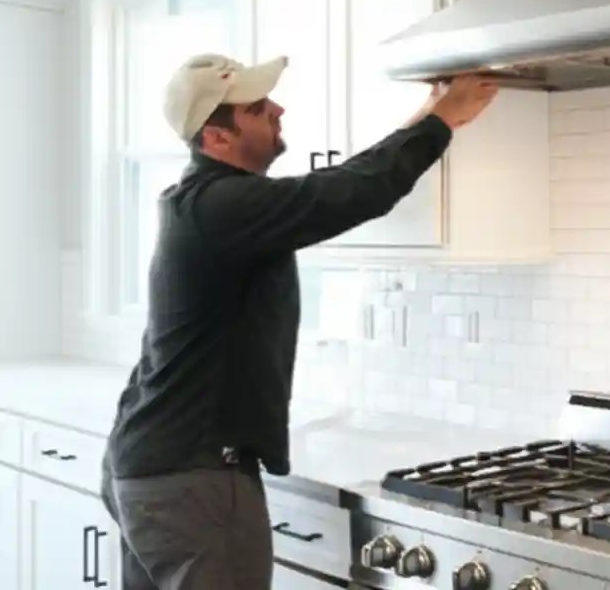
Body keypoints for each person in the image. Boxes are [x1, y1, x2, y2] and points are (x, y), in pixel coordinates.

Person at [98, 52, 498, 589]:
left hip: (152, 466)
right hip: (195, 479)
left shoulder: (204, 204)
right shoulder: (224, 206)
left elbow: (343, 178)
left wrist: (429, 110)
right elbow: (355, 190)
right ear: (216, 138)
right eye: (259, 108)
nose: (279, 109)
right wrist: (441, 119)